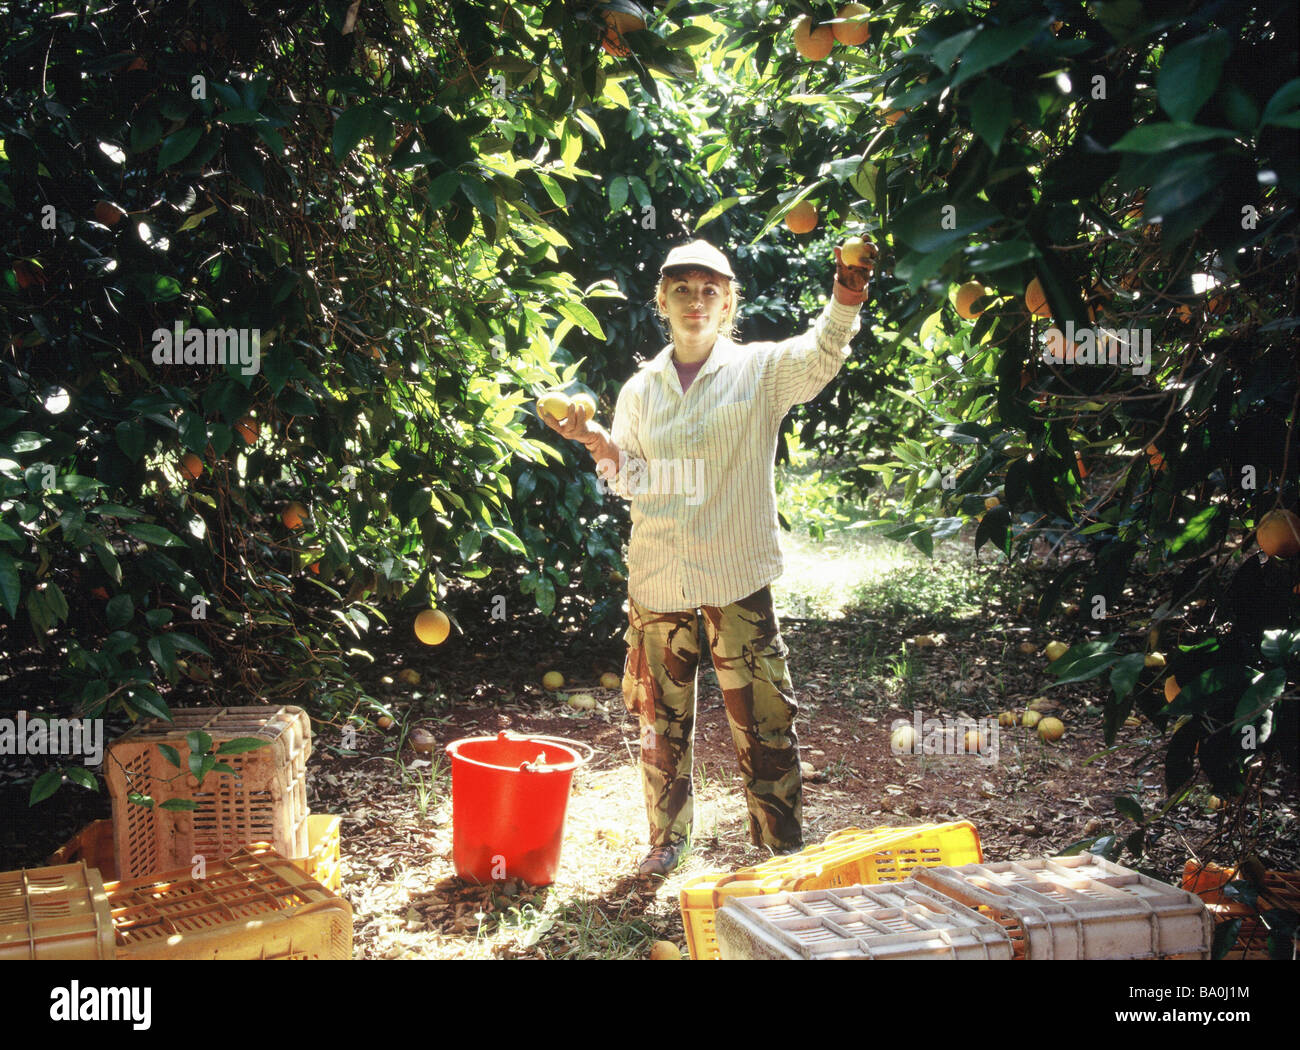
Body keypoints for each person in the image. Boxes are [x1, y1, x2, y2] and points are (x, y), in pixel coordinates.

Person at [540, 237, 875, 878]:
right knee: (659, 726)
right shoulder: (642, 388)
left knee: (765, 723)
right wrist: (590, 437)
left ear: (728, 306)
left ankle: (780, 848)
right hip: (659, 580)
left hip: (736, 577)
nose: (696, 302)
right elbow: (629, 476)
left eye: (710, 291)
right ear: (662, 302)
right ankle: (667, 842)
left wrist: (848, 289)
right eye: (683, 290)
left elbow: (823, 354)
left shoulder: (759, 372)